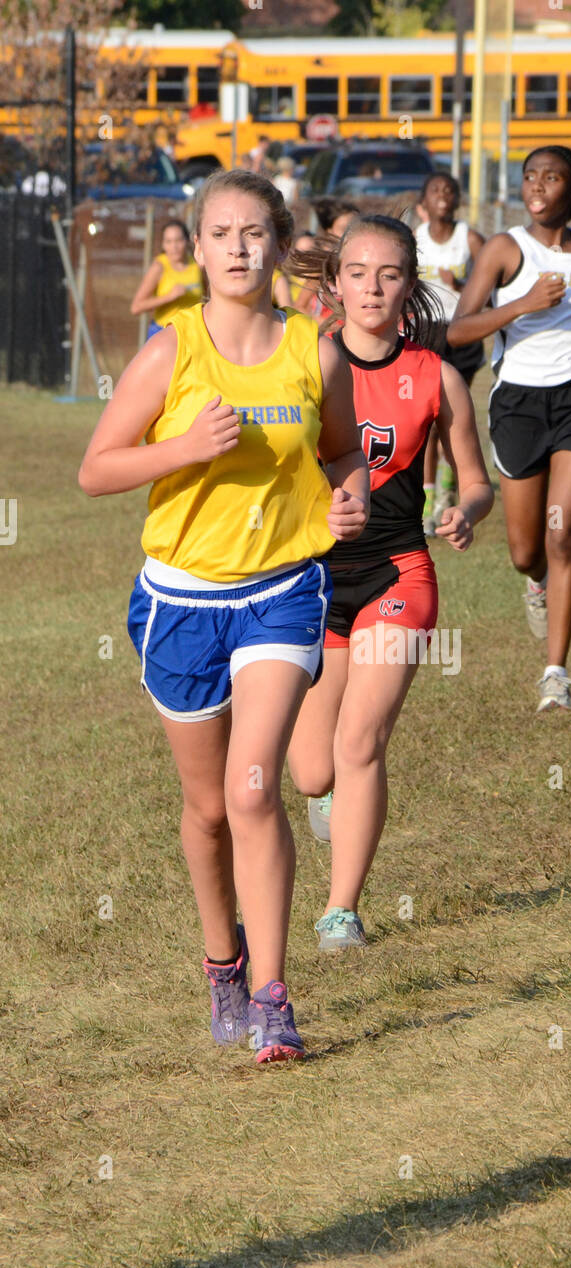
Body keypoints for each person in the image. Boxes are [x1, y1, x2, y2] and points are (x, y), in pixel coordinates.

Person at [79, 170, 369, 1062]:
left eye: (256, 233)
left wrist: (348, 500)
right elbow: (97, 468)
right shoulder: (170, 352)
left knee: (254, 787)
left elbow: (343, 452)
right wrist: (182, 447)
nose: (239, 248)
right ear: (196, 248)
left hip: (281, 589)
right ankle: (223, 961)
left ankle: (275, 998)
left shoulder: (312, 350)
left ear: (281, 247)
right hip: (181, 602)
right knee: (207, 808)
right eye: (222, 233)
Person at [285, 214, 493, 949]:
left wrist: (465, 511)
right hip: (310, 581)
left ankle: (342, 909)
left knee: (361, 742)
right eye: (359, 273)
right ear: (334, 285)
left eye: (391, 274)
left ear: (411, 284)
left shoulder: (436, 376)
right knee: (311, 773)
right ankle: (334, 798)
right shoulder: (302, 363)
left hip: (398, 571)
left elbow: (476, 481)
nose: (373, 288)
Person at [448, 145, 571, 712]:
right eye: (530, 176)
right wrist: (522, 304)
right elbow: (458, 331)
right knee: (526, 549)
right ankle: (534, 582)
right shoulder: (507, 248)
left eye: (551, 178)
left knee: (562, 534)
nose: (536, 186)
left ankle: (556, 673)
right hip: (520, 403)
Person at [415, 172, 485, 535]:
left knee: (454, 416)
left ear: (457, 199)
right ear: (424, 203)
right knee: (425, 419)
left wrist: (462, 286)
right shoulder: (416, 239)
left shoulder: (468, 238)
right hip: (426, 331)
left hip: (460, 332)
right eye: (435, 189)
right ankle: (427, 497)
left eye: (449, 190)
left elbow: (493, 281)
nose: (442, 195)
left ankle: (447, 490)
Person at [130, 219, 204, 339]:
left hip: (191, 333)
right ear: (163, 245)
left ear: (187, 241)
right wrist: (169, 297)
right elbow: (136, 307)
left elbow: (206, 297)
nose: (174, 246)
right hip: (163, 333)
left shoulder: (196, 265)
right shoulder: (159, 267)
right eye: (168, 241)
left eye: (178, 240)